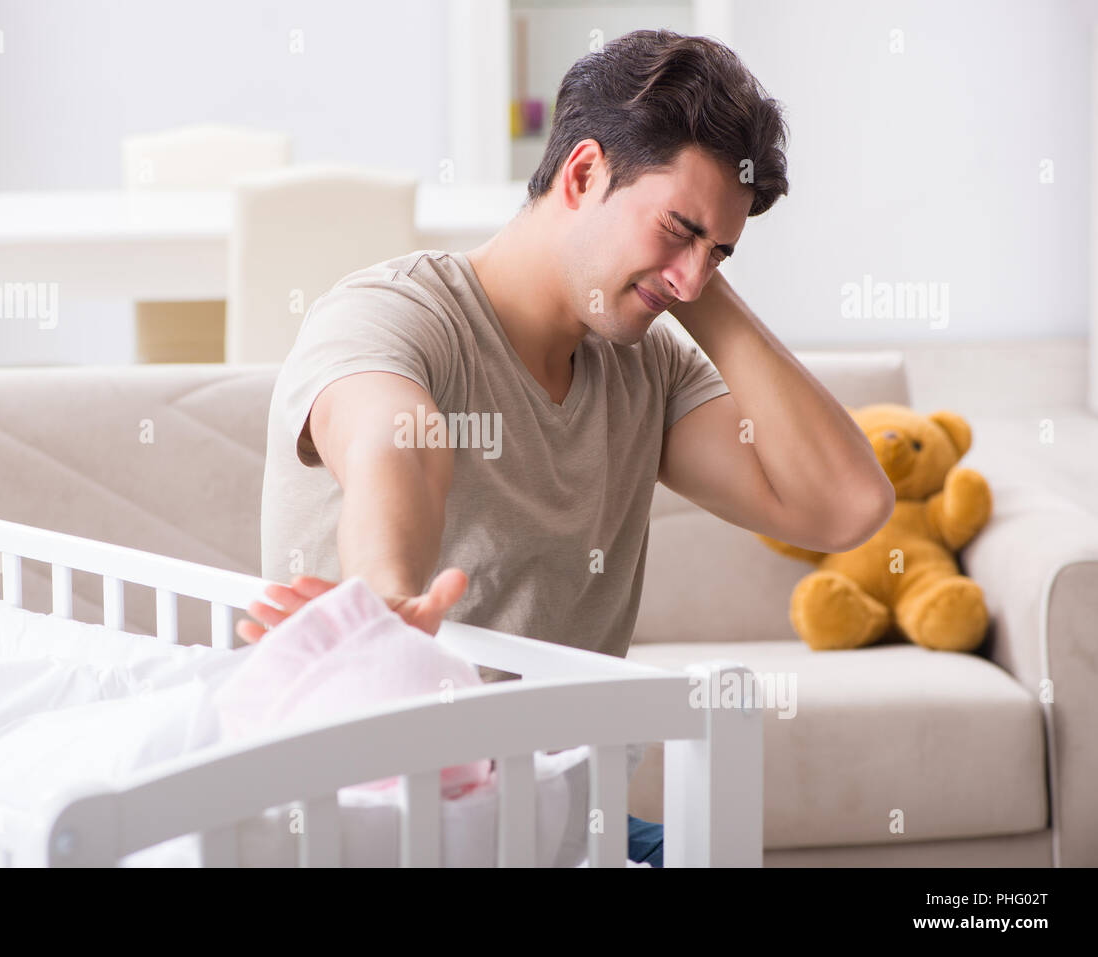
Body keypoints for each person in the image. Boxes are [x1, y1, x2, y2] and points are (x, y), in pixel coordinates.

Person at [239, 29, 895, 866]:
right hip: (379, 818)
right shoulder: (392, 314)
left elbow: (846, 505)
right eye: (678, 227)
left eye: (719, 253)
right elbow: (398, 442)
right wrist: (390, 595)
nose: (693, 277)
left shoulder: (645, 363)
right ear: (583, 174)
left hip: (556, 828)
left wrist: (687, 272)